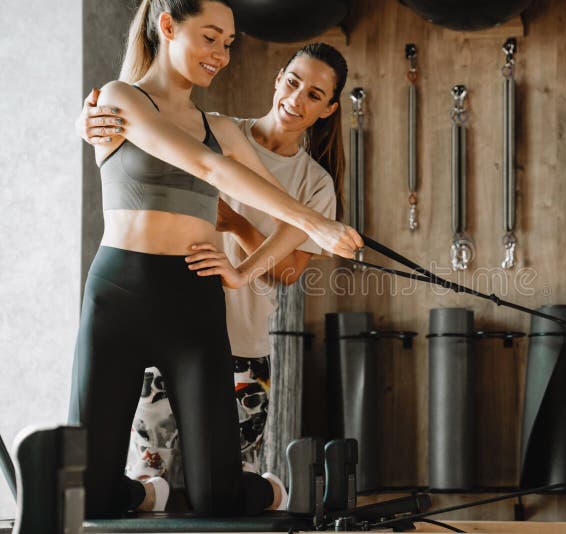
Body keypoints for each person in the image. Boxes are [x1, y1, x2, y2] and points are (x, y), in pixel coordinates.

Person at [70, 0, 361, 518]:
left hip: (193, 300)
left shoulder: (220, 128)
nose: (221, 54)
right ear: (166, 26)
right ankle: (148, 493)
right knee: (83, 492)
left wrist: (246, 268)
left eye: (228, 43)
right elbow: (209, 168)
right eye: (210, 37)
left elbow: (287, 216)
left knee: (216, 500)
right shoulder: (117, 99)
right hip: (118, 294)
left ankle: (276, 485)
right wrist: (317, 223)